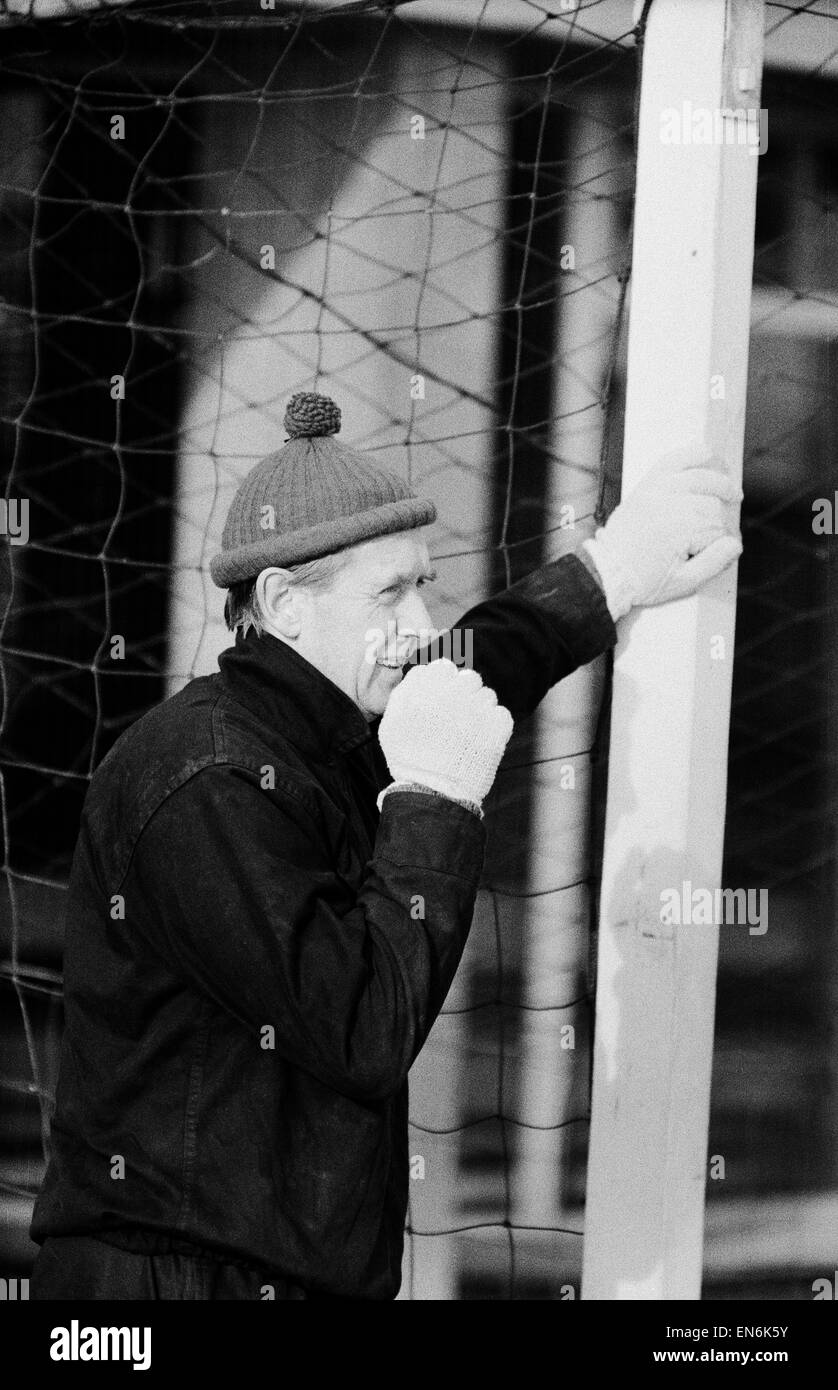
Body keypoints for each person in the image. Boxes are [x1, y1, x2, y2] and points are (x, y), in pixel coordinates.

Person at [29, 392, 741, 1300]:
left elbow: (472, 663)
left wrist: (610, 574)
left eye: (423, 584)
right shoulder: (209, 778)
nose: (415, 623)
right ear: (284, 602)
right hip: (164, 1288)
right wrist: (437, 802)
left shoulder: (321, 726)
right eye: (390, 591)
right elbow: (361, 1027)